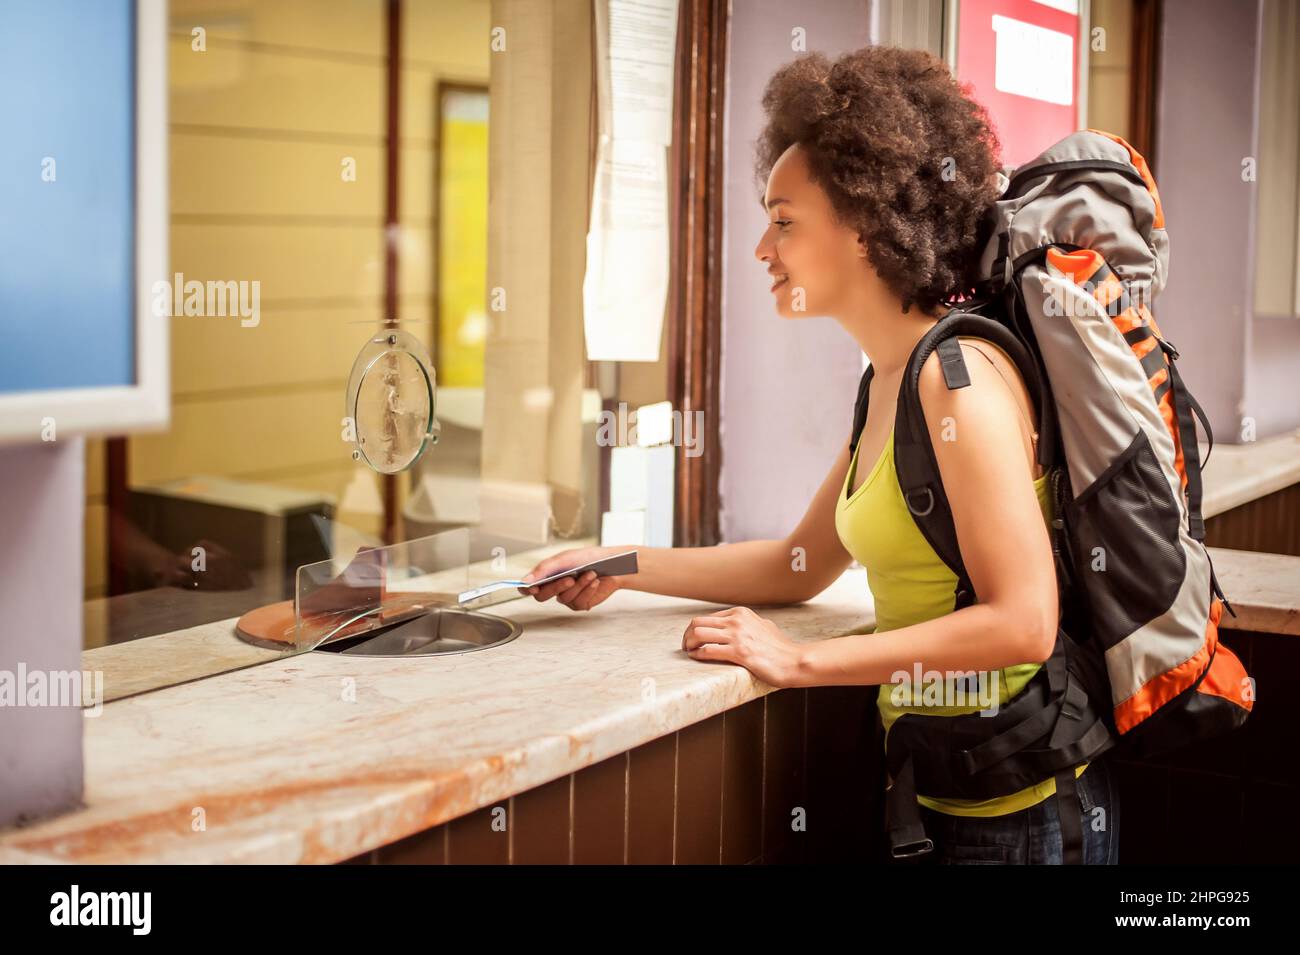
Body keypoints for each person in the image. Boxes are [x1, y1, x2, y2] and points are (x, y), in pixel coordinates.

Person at [521, 46, 1118, 864]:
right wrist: (624, 565)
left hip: (1026, 812)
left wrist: (802, 659)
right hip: (946, 788)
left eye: (785, 221)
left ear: (866, 225)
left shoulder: (958, 383)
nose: (764, 249)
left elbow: (1022, 622)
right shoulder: (889, 382)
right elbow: (798, 565)